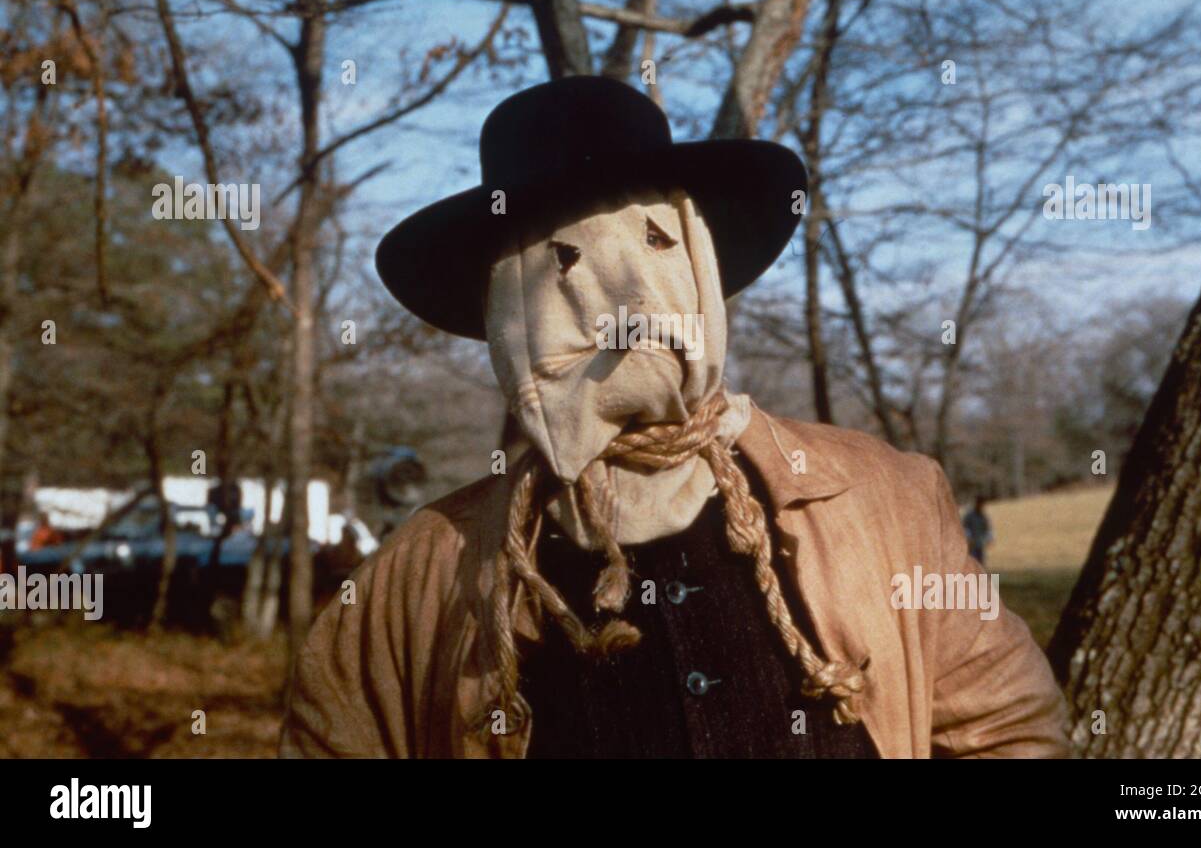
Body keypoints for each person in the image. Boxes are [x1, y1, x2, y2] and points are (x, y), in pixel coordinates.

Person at [281, 77, 1069, 759]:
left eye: (655, 241)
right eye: (561, 261)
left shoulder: (885, 505)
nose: (622, 302)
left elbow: (1010, 727)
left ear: (700, 265)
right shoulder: (412, 584)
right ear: (502, 312)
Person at [963, 496, 993, 565]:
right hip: (971, 545)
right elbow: (964, 527)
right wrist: (968, 537)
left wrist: (989, 538)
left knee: (981, 563)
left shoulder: (983, 516)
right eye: (979, 503)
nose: (981, 506)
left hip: (980, 544)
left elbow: (987, 529)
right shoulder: (969, 516)